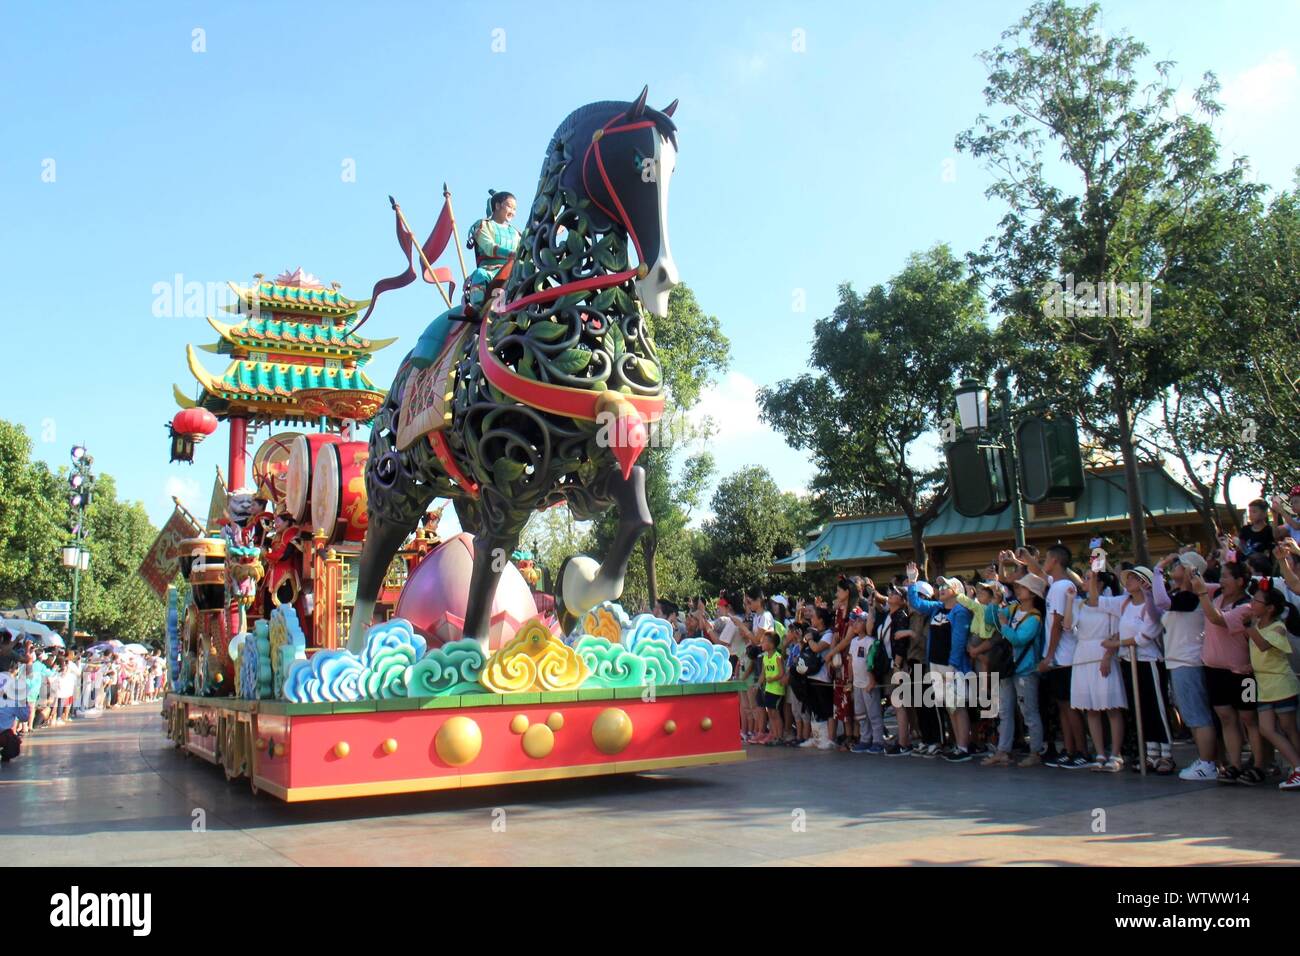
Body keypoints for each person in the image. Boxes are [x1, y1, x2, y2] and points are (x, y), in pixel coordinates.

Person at [1191, 561, 1266, 784]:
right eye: (1221, 576)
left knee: (1249, 718)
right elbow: (1197, 582)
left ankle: (1259, 765)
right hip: (1215, 671)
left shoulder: (1246, 607)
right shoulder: (1216, 596)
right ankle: (1235, 765)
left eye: (1226, 576)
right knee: (1226, 717)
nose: (1221, 580)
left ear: (1240, 581)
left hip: (1242, 673)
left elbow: (1217, 619)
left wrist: (1202, 591)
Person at [1150, 552, 1219, 781]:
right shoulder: (1180, 595)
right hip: (1178, 660)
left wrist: (1158, 569)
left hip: (1188, 661)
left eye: (1180, 564)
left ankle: (1208, 763)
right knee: (1191, 716)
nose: (1175, 567)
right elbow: (1157, 607)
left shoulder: (1191, 597)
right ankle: (1204, 759)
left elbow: (1161, 601)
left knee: (1198, 716)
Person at [906, 563, 975, 762]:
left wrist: (953, 666)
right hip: (935, 664)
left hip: (950, 665)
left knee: (958, 706)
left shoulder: (960, 611)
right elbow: (917, 604)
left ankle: (963, 747)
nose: (941, 589)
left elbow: (959, 640)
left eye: (946, 586)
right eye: (940, 587)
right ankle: (957, 744)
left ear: (957, 591)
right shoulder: (937, 608)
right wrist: (912, 581)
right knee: (949, 706)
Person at [981, 573, 1046, 767]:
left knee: (1029, 712)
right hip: (1009, 668)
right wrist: (995, 601)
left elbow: (1018, 639)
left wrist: (1004, 625)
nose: (1018, 589)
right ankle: (1003, 750)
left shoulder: (1035, 617)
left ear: (1033, 593)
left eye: (1022, 587)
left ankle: (1035, 751)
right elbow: (989, 618)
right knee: (1005, 710)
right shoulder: (1014, 608)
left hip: (1025, 670)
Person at [1242, 581, 1300, 790]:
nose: (1252, 603)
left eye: (1257, 601)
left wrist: (1249, 628)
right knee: (1266, 729)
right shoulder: (1256, 626)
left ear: (1270, 608)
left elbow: (1264, 645)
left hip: (1281, 684)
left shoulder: (1278, 627)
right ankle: (1298, 767)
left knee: (1289, 728)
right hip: (1262, 686)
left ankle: (1297, 768)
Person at [1070, 570, 1128, 771]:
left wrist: (1107, 656)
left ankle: (1116, 753)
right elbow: (1068, 626)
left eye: (1089, 578)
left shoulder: (1110, 603)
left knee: (1111, 706)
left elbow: (1115, 632)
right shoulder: (1079, 604)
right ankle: (1100, 753)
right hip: (1083, 653)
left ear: (1101, 583)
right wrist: (1069, 602)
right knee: (1091, 708)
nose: (1085, 581)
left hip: (1103, 651)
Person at [1040, 545, 1089, 768]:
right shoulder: (1055, 585)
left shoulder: (1063, 587)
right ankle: (1069, 749)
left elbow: (1058, 623)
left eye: (1046, 559)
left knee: (1070, 706)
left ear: (1056, 561)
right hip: (1058, 658)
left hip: (1065, 656)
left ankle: (1081, 751)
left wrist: (1049, 655)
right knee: (1062, 705)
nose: (1044, 562)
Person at [848, 605, 887, 753]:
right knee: (861, 713)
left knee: (874, 712)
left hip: (868, 683)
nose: (855, 624)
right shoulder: (853, 642)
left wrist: (872, 680)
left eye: (859, 621)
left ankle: (878, 740)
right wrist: (850, 682)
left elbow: (871, 663)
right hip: (857, 684)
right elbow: (851, 662)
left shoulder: (871, 641)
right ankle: (865, 738)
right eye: (854, 622)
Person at [799, 604, 837, 750]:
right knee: (814, 708)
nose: (811, 618)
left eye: (814, 616)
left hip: (823, 677)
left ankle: (829, 738)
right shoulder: (814, 633)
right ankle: (817, 737)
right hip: (811, 675)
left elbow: (816, 648)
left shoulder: (828, 634)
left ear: (821, 620)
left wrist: (809, 639)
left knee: (826, 708)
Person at [756, 632, 786, 746]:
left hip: (777, 690)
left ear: (772, 644)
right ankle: (774, 735)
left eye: (764, 641)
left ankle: (779, 736)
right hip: (768, 689)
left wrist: (772, 679)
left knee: (776, 713)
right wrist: (758, 684)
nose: (762, 643)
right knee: (771, 713)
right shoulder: (765, 657)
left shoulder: (777, 657)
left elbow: (781, 673)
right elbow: (763, 674)